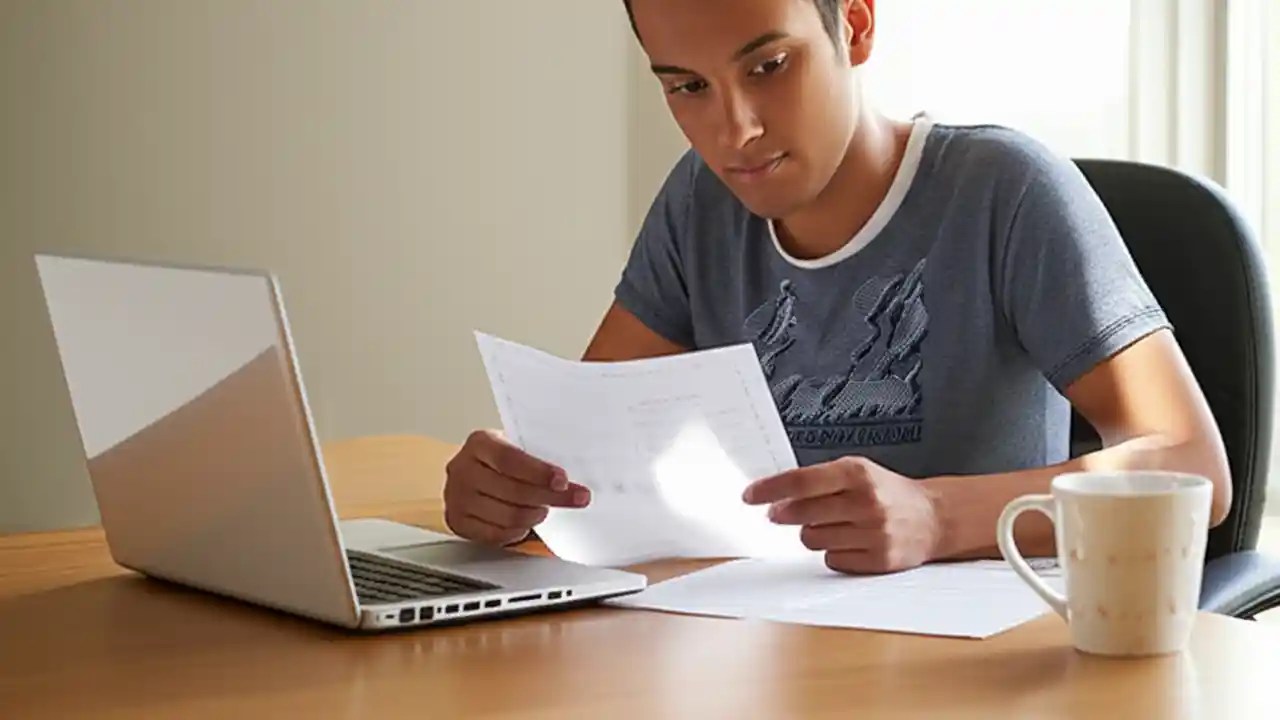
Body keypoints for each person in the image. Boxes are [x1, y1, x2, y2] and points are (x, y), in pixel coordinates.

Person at [442, 0, 1232, 575]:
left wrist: (936, 516)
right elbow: (580, 450)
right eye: (687, 87)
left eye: (769, 67)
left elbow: (1193, 466)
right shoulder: (699, 204)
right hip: (764, 644)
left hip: (976, 655)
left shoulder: (1005, 192)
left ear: (854, 25)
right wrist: (508, 493)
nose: (735, 130)